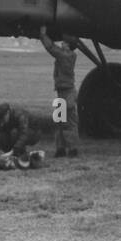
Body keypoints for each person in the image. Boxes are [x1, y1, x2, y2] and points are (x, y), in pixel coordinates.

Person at [39, 26, 80, 157]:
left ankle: (72, 149)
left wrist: (43, 35)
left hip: (67, 93)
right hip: (63, 92)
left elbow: (51, 48)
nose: (62, 43)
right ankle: (61, 149)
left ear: (68, 46)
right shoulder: (68, 55)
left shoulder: (65, 56)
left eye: (64, 42)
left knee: (67, 122)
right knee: (60, 121)